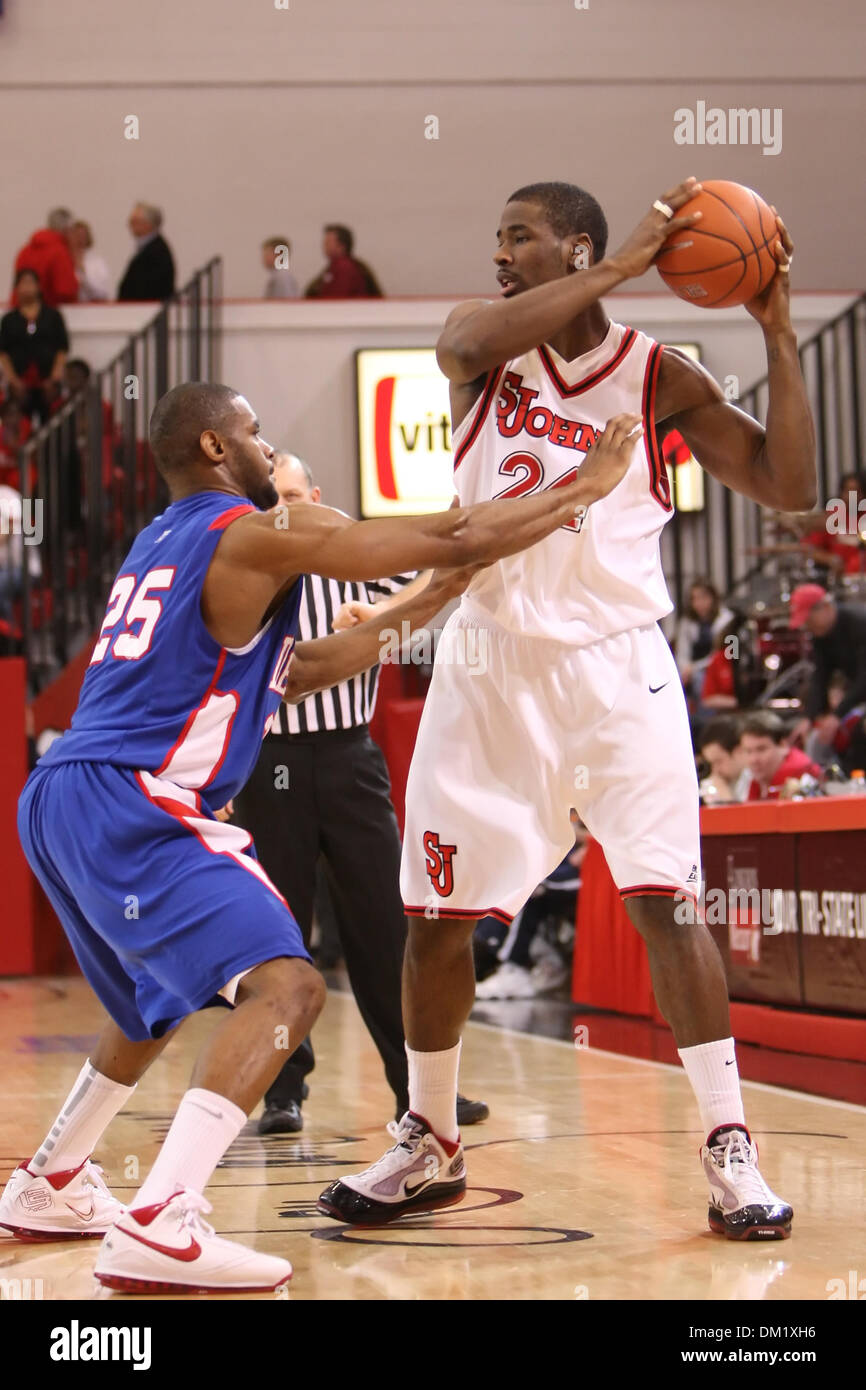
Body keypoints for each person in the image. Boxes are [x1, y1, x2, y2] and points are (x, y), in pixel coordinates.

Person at [0, 380, 634, 1292]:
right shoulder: (254, 530)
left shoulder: (160, 544)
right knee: (291, 988)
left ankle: (50, 1179)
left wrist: (435, 594)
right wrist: (584, 486)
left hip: (60, 796)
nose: (267, 451)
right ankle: (164, 1219)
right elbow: (450, 530)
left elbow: (310, 667)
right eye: (255, 433)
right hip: (133, 796)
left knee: (153, 997)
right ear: (217, 449)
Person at [318, 176, 815, 1239]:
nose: (499, 251)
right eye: (495, 234)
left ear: (574, 240)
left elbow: (785, 484)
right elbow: (458, 346)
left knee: (662, 904)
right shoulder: (482, 347)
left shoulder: (656, 373)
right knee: (433, 920)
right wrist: (621, 264)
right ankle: (429, 1137)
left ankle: (728, 1144)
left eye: (521, 237)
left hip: (614, 669)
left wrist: (774, 333)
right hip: (489, 667)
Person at [235, 451, 489, 1133]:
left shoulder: (360, 553)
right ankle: (281, 1090)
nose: (285, 513)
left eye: (294, 495)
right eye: (272, 502)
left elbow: (442, 573)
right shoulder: (245, 568)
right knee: (280, 933)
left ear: (318, 496)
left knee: (384, 927)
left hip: (350, 757)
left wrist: (382, 607)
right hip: (270, 761)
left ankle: (422, 1091)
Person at [791, 584, 866, 733]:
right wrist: (809, 717)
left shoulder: (859, 624)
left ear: (825, 607)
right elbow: (821, 676)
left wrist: (837, 715)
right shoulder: (821, 635)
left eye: (809, 619)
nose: (807, 625)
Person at [0, 269, 69, 422]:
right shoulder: (9, 319)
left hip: (47, 380)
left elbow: (62, 348)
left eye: (30, 283)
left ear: (38, 287)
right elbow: (3, 352)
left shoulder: (53, 316)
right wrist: (13, 380)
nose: (27, 288)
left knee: (51, 420)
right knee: (20, 421)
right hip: (20, 381)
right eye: (22, 284)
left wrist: (54, 377)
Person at [740, 711, 822, 800]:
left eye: (761, 749)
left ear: (782, 746)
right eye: (748, 751)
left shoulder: (801, 774)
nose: (754, 759)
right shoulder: (759, 779)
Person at [674, 578, 733, 700]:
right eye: (694, 599)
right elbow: (683, 652)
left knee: (700, 679)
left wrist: (694, 668)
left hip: (715, 666)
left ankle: (704, 718)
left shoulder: (725, 619)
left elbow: (721, 654)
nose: (698, 603)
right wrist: (685, 669)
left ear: (713, 598)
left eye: (702, 598)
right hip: (691, 669)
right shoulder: (687, 621)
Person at [12, 208, 78, 307]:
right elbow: (66, 290)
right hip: (49, 313)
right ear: (66, 230)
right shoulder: (59, 252)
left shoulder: (25, 250)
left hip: (20, 310)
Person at [305, 224, 383, 300]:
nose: (324, 244)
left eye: (328, 241)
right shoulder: (335, 267)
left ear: (342, 246)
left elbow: (336, 299)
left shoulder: (344, 268)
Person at [117, 203, 176, 302]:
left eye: (134, 221)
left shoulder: (157, 251)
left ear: (148, 224)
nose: (130, 225)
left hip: (146, 310)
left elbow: (147, 286)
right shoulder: (149, 248)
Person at [696, 716, 751, 803]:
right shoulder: (713, 784)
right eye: (711, 764)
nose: (715, 770)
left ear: (739, 752)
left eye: (718, 761)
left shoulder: (756, 780)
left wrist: (726, 799)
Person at [70, 220, 112, 302]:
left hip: (92, 308)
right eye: (76, 235)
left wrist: (83, 275)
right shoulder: (64, 260)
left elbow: (102, 293)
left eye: (83, 236)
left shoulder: (97, 262)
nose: (79, 239)